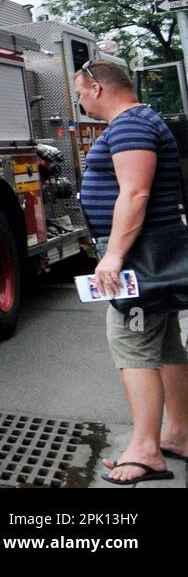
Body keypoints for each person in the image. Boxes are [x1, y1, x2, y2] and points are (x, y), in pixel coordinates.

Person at [76, 60, 187, 484]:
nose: (82, 100)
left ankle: (146, 449)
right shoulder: (141, 122)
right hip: (151, 256)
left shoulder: (129, 127)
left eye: (82, 91)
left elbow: (136, 192)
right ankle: (178, 434)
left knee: (132, 344)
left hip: (140, 260)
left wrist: (114, 256)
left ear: (99, 88)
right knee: (166, 345)